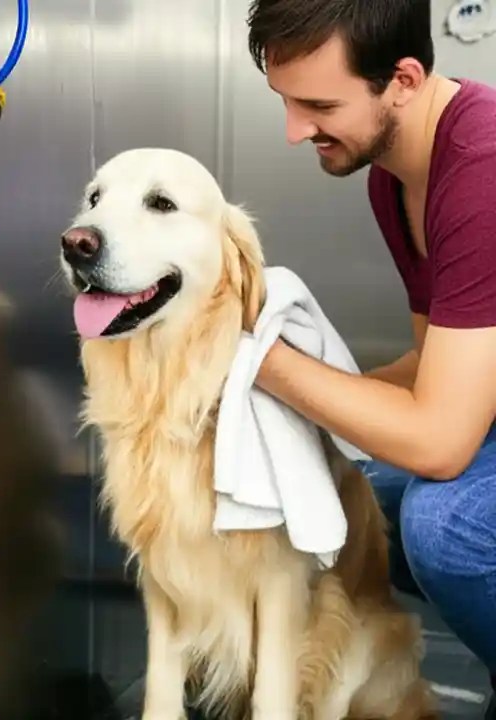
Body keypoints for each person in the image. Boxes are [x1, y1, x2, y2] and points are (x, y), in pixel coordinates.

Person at [244, 0, 496, 715]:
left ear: (405, 80)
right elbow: (431, 364)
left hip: (467, 442)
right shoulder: (394, 174)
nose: (295, 131)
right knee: (344, 478)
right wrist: (295, 412)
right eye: (285, 101)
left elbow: (443, 444)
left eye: (318, 104)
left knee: (444, 527)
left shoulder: (483, 170)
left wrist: (259, 361)